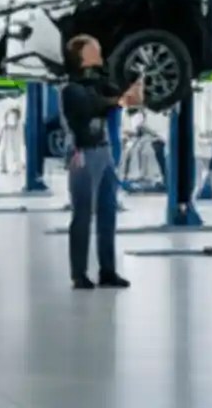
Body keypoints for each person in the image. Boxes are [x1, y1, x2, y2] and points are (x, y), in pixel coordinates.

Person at [60, 35, 143, 290]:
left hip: (104, 152)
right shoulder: (71, 90)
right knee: (82, 215)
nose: (99, 51)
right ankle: (79, 274)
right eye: (93, 48)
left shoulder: (99, 83)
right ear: (82, 57)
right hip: (82, 155)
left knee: (108, 213)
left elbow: (123, 97)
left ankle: (108, 271)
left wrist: (136, 81)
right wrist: (117, 101)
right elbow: (92, 107)